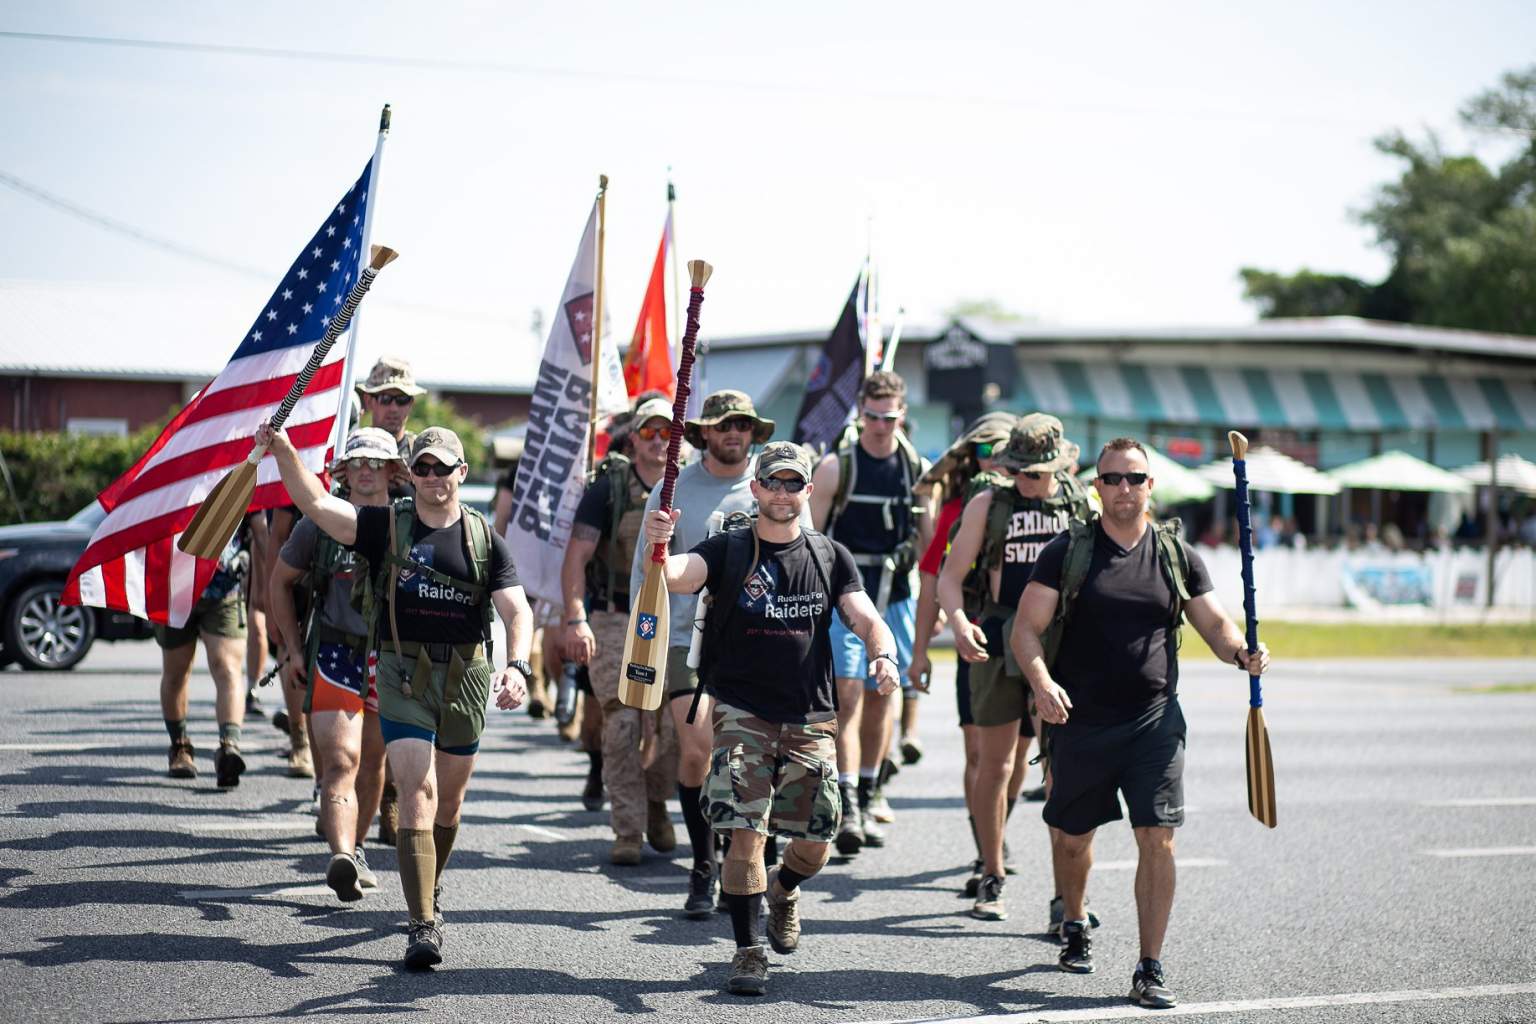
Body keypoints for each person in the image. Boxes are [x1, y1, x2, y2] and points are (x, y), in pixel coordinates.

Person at [258, 421, 534, 971]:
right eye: (423, 468)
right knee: (417, 789)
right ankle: (422, 923)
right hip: (401, 672)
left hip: (466, 676)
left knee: (449, 804)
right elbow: (315, 505)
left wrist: (518, 666)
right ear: (412, 473)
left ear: (461, 472)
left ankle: (429, 886)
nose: (433, 477)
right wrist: (285, 451)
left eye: (443, 468)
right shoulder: (385, 527)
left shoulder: (484, 538)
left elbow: (516, 609)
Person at [1010, 437, 1272, 1008]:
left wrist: (1241, 653)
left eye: (1134, 478)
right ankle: (1073, 918)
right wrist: (1042, 682)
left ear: (1151, 485)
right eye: (1112, 479)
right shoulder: (1068, 551)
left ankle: (1149, 966)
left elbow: (1216, 622)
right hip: (1080, 721)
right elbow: (1025, 629)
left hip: (1155, 722)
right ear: (1095, 485)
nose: (1123, 488)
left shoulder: (1176, 554)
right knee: (1074, 839)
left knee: (1158, 837)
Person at [641, 440, 900, 997]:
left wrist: (883, 651)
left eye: (793, 483)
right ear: (756, 488)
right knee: (745, 835)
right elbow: (678, 577)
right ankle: (748, 950)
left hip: (810, 716)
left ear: (808, 492)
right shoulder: (730, 548)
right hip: (741, 712)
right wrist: (658, 548)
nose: (782, 492)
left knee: (816, 842)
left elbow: (864, 616)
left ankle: (784, 888)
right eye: (772, 482)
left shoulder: (830, 555)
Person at [629, 389, 778, 918]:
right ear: (704, 434)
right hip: (682, 639)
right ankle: (702, 865)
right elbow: (646, 572)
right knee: (698, 747)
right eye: (723, 424)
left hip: (759, 639)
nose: (734, 432)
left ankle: (754, 857)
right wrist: (643, 638)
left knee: (753, 756)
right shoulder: (675, 488)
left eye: (742, 424)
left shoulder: (770, 485)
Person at [937, 414, 1092, 922]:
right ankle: (991, 871)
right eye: (1021, 471)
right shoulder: (989, 502)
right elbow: (950, 576)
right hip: (1001, 638)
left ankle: (1065, 896)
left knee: (1059, 770)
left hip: (1062, 644)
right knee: (995, 763)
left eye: (1037, 472)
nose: (1028, 481)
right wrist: (958, 622)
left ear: (1058, 466)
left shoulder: (1078, 503)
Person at [267, 428, 400, 903]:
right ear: (344, 469)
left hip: (390, 657)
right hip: (335, 654)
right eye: (357, 461)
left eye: (376, 461)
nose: (366, 469)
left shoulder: (408, 522)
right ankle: (342, 854)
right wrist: (293, 651)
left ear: (392, 470)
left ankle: (358, 846)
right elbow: (278, 584)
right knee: (342, 760)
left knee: (373, 759)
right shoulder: (317, 525)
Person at [809, 371, 931, 855]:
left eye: (890, 416)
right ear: (861, 412)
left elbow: (928, 540)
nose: (881, 426)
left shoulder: (917, 467)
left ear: (902, 414)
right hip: (847, 597)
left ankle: (871, 785)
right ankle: (847, 800)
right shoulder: (838, 467)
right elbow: (811, 539)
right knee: (847, 695)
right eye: (873, 416)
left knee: (886, 695)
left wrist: (931, 601)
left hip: (897, 593)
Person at [561, 396, 679, 864]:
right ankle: (628, 827)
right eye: (649, 432)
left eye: (667, 433)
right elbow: (577, 558)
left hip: (672, 619)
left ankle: (656, 802)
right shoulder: (608, 487)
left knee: (674, 723)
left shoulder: (687, 486)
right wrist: (575, 617)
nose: (658, 442)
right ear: (634, 438)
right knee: (624, 720)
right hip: (615, 616)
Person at [907, 411, 1018, 895]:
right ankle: (986, 851)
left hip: (1036, 651)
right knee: (981, 754)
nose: (997, 461)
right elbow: (932, 583)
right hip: (977, 646)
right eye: (987, 450)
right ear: (973, 457)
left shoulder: (1051, 506)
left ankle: (997, 833)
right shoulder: (959, 511)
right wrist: (919, 654)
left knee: (1015, 763)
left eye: (1006, 450)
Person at [158, 513, 264, 788]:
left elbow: (262, 532)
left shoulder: (240, 474)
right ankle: (180, 746)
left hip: (224, 590)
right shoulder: (173, 473)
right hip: (175, 587)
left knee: (227, 667)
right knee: (176, 671)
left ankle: (229, 747)